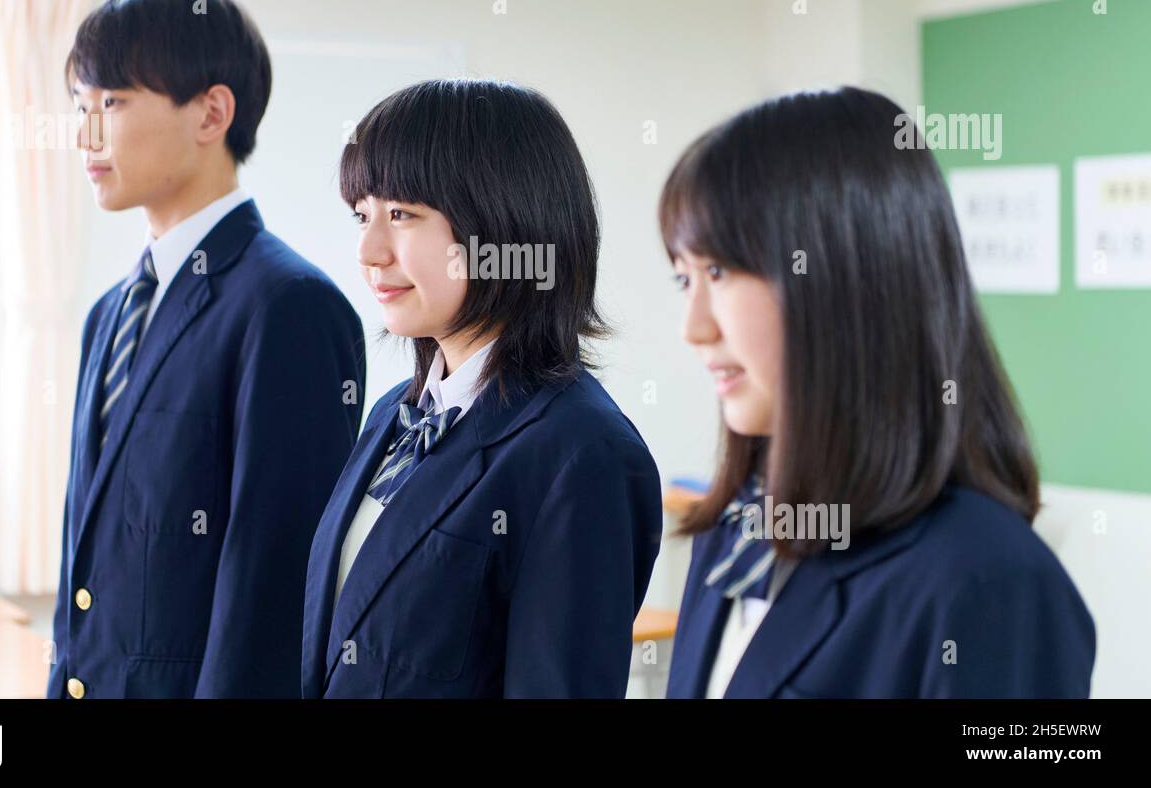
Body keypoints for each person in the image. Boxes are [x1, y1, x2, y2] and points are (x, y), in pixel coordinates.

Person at [659, 86, 1095, 698]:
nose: (693, 328)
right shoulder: (735, 530)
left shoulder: (991, 581)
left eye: (720, 272)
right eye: (683, 277)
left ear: (845, 274)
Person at [47, 0, 365, 698]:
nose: (85, 136)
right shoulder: (111, 312)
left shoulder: (288, 307)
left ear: (211, 112)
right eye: (79, 107)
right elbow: (87, 561)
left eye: (112, 103)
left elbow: (273, 583)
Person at [301, 78, 662, 697]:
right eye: (362, 215)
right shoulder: (398, 412)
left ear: (501, 227)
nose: (368, 249)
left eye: (402, 215)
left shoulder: (582, 453)